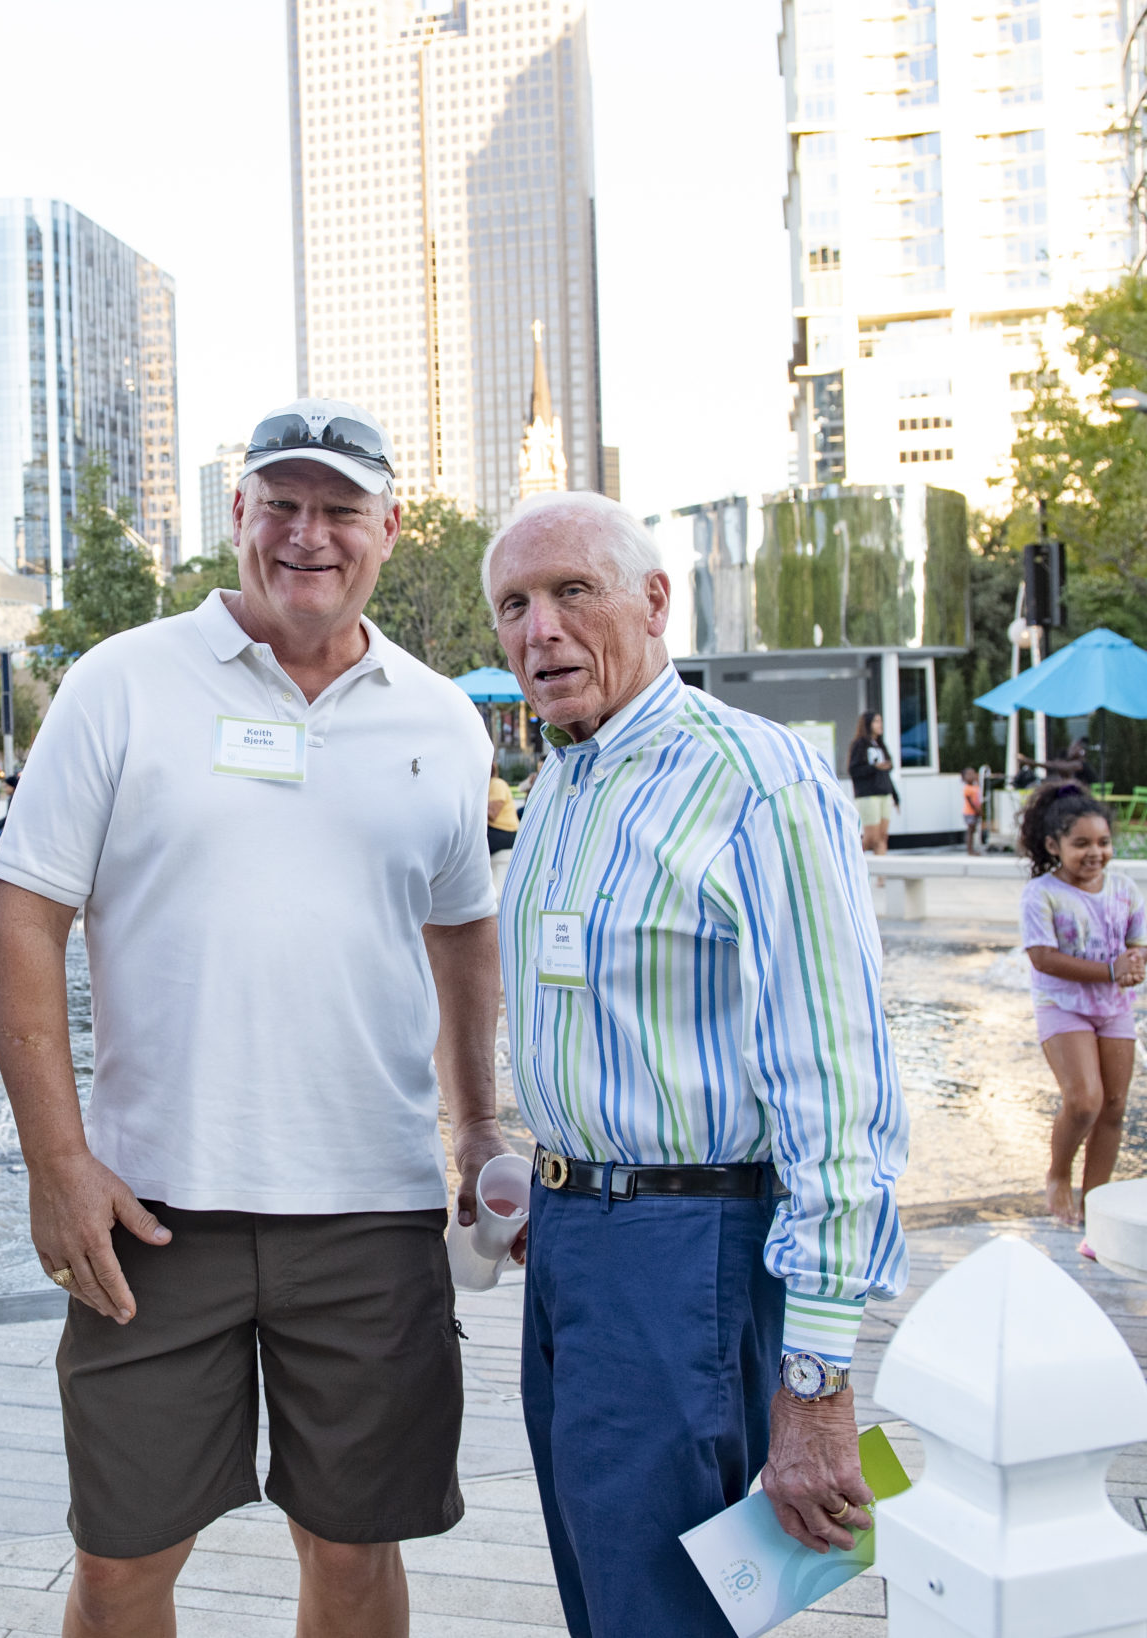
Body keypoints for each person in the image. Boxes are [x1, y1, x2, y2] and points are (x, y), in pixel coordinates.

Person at [0, 398, 500, 1638]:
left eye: (337, 510)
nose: (306, 535)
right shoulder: (121, 683)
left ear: (386, 530)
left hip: (370, 1213)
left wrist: (475, 1126)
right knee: (122, 1556)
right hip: (153, 1214)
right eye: (281, 504)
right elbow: (19, 925)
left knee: (354, 1550)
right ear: (237, 517)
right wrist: (59, 1163)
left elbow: (463, 928)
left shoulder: (440, 715)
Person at [484, 491, 908, 1637]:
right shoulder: (562, 780)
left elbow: (838, 1088)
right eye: (513, 605)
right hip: (575, 1246)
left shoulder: (751, 779)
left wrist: (816, 1383)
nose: (539, 631)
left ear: (654, 600)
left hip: (688, 1254)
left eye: (573, 591)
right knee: (608, 1591)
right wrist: (552, 1168)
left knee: (659, 1614)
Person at [1017, 782, 1145, 1230]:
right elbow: (1042, 957)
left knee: (1113, 1104)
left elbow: (1136, 944)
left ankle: (1096, 1209)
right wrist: (1113, 969)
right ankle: (1058, 1172)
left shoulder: (1125, 889)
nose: (1096, 853)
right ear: (1054, 845)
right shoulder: (1042, 894)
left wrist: (1134, 964)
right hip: (1063, 1006)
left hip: (1114, 1008)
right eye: (1082, 844)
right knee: (1085, 1101)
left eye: (1104, 842)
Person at [846, 711, 899, 853]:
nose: (880, 725)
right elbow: (853, 770)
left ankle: (882, 875)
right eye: (876, 721)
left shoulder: (881, 745)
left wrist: (895, 796)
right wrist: (874, 768)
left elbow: (887, 773)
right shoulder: (859, 744)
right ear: (867, 724)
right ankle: (851, 863)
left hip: (885, 793)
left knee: (882, 837)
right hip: (868, 795)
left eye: (880, 721)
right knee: (871, 838)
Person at [962, 766, 984, 856]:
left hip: (975, 812)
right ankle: (970, 850)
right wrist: (978, 811)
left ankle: (973, 849)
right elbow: (971, 802)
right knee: (970, 830)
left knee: (973, 830)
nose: (972, 776)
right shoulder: (967, 788)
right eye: (969, 774)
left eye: (973, 774)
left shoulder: (976, 787)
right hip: (970, 812)